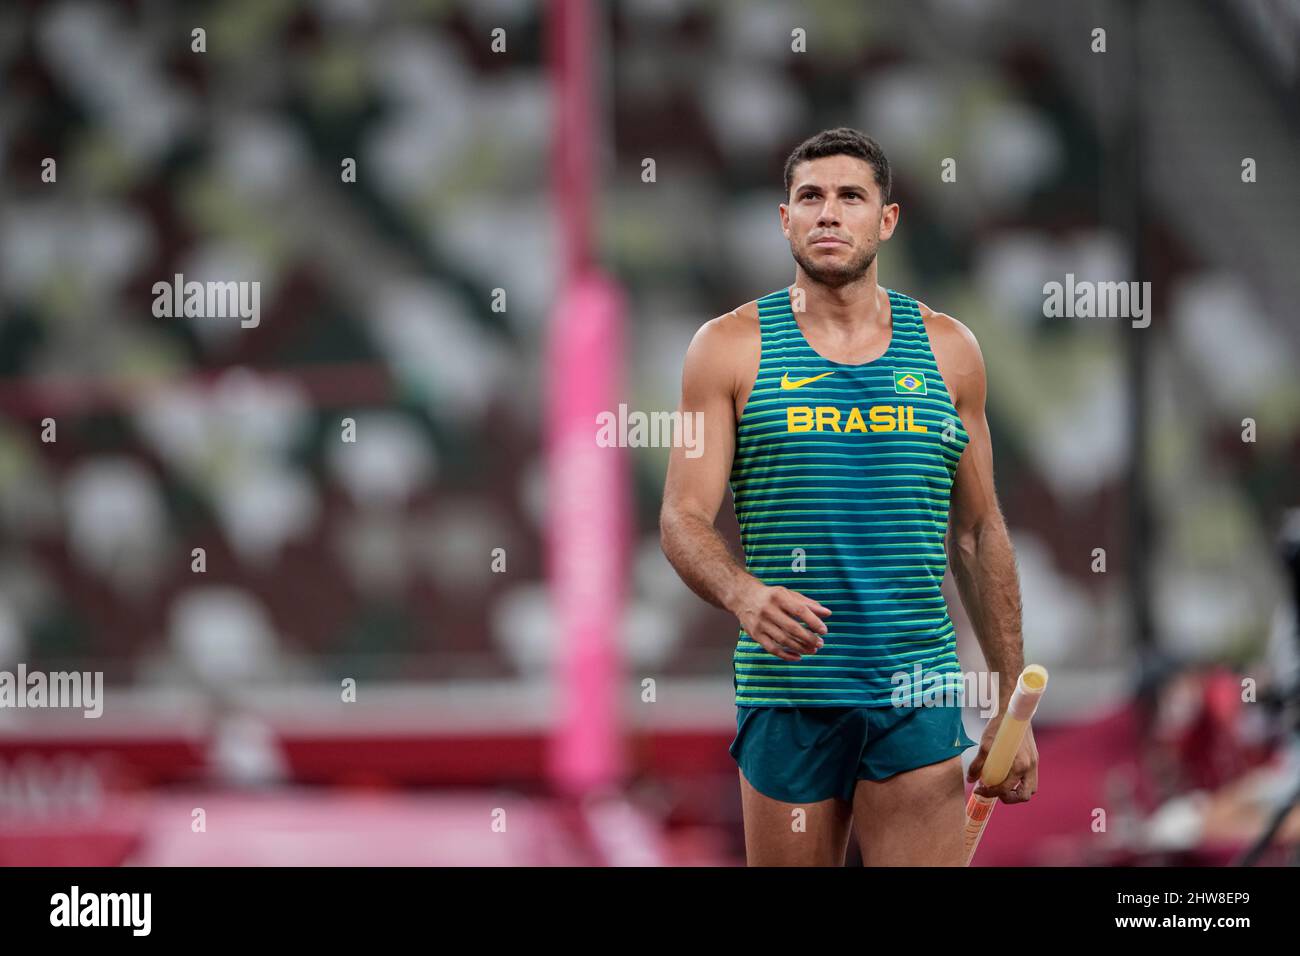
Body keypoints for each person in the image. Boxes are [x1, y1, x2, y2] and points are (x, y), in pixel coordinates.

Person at [659, 127, 1037, 865]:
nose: (829, 213)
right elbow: (681, 517)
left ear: (885, 220)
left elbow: (980, 533)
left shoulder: (948, 350)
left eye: (850, 197)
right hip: (789, 693)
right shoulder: (730, 347)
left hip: (916, 687)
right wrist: (743, 594)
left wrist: (1008, 706)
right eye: (811, 197)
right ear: (785, 219)